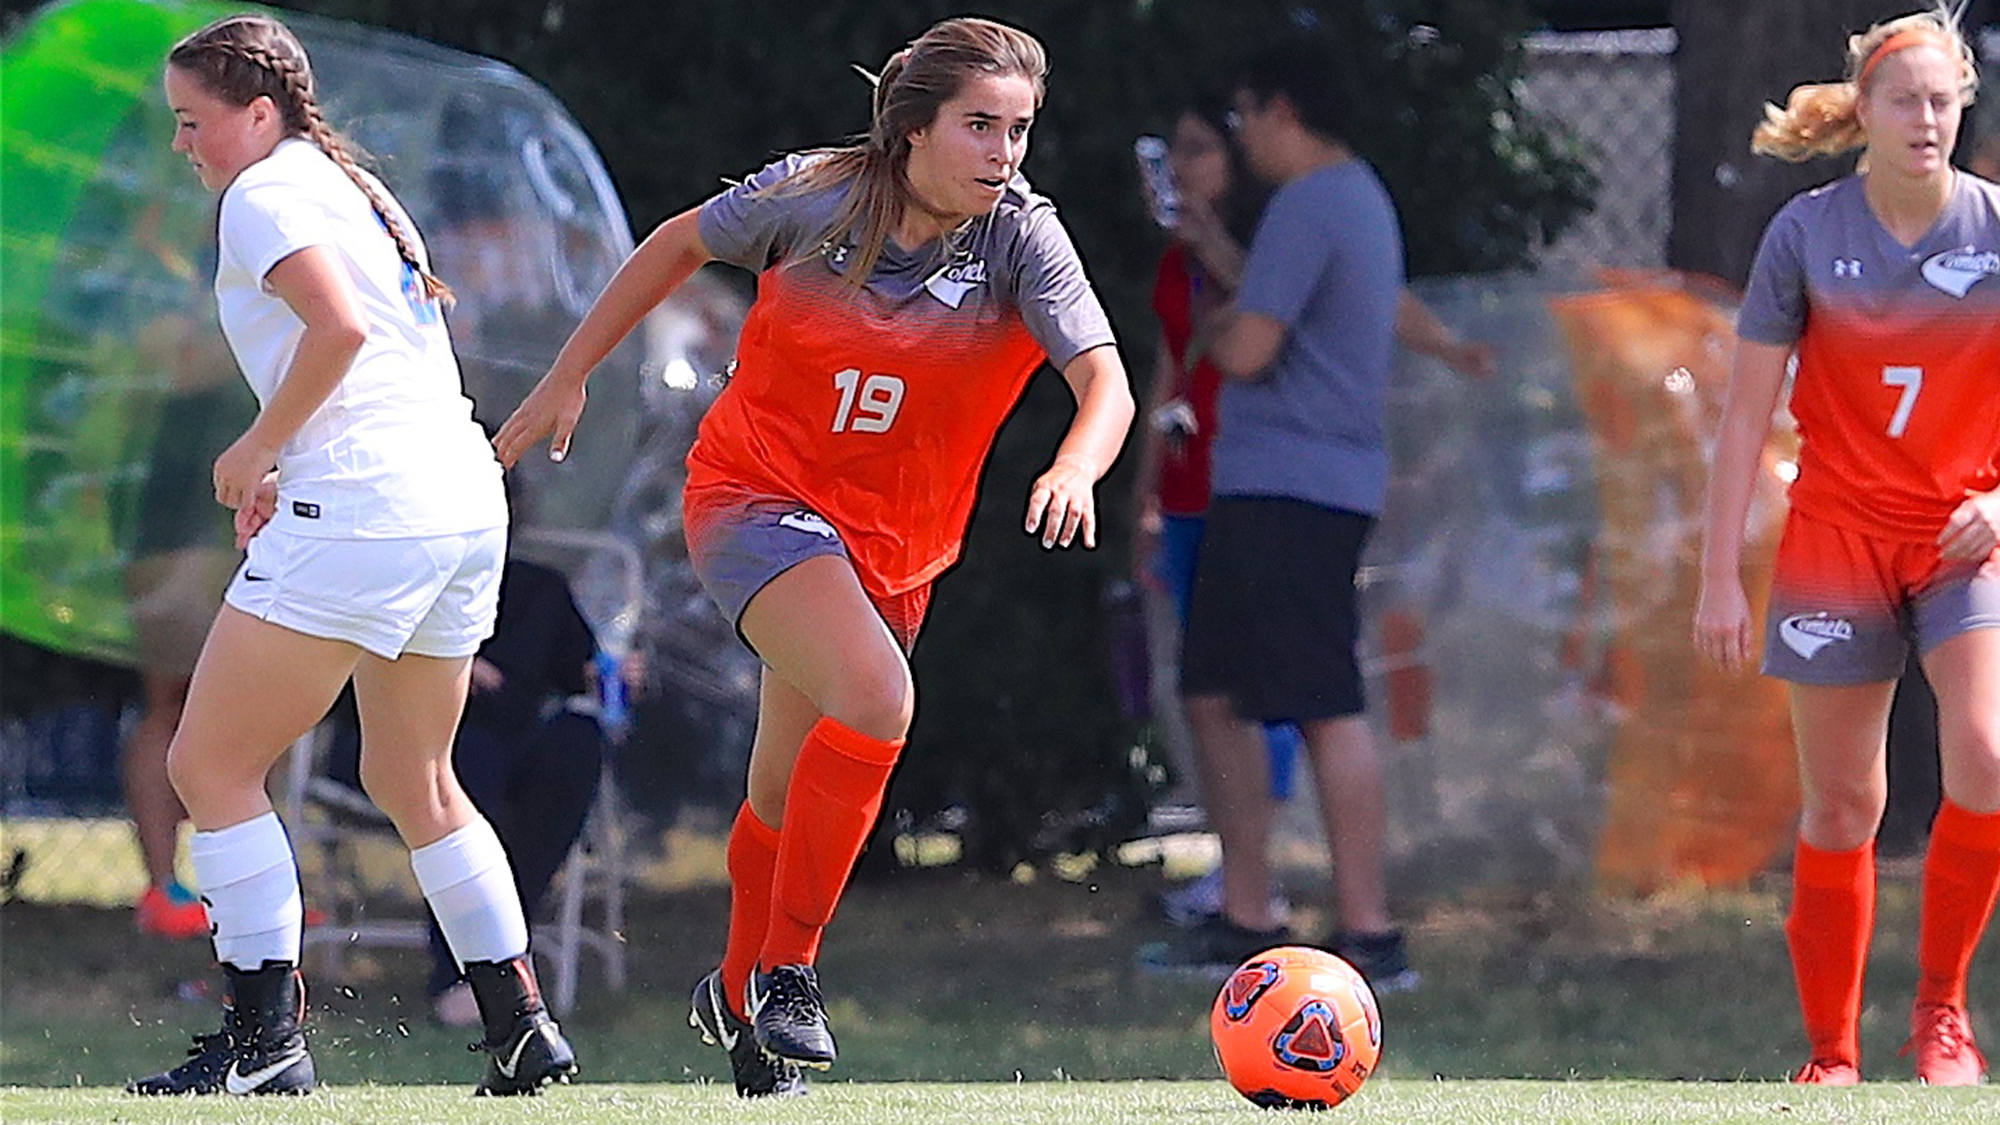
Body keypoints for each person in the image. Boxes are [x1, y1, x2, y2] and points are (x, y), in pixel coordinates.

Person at [496, 16, 1133, 1098]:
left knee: (784, 792)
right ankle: (790, 974)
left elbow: (1105, 385)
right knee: (880, 700)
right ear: (910, 130)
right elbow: (679, 242)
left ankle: (743, 996)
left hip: (895, 548)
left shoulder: (1022, 238)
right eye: (979, 126)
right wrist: (570, 374)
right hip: (754, 496)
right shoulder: (817, 196)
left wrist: (1075, 466)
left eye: (1018, 130)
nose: (1002, 152)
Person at [130, 14, 575, 1096]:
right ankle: (521, 1029)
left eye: (195, 123)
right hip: (459, 499)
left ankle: (264, 1044)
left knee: (209, 767)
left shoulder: (263, 194)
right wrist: (298, 460)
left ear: (261, 113)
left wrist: (260, 447)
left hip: (371, 507)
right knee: (414, 777)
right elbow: (373, 361)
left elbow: (337, 333)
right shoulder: (340, 186)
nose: (185, 146)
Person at [1694, 8, 1998, 1088]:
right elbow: (1742, 419)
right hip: (1836, 536)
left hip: (1963, 536)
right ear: (1861, 111)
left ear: (1963, 104)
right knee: (1843, 805)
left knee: (1986, 760)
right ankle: (1829, 1056)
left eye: (1941, 99)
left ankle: (1942, 1014)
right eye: (1903, 99)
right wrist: (1718, 577)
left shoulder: (1994, 230)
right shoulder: (1806, 234)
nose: (1925, 119)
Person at [1134, 93, 1492, 934]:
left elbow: (1251, 345)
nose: (1238, 142)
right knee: (1213, 690)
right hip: (1262, 485)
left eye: (1240, 123)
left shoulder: (1311, 201)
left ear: (1279, 112)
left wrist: (1220, 328)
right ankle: (1247, 909)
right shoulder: (1351, 200)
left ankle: (1368, 929)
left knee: (1323, 699)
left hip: (1292, 488)